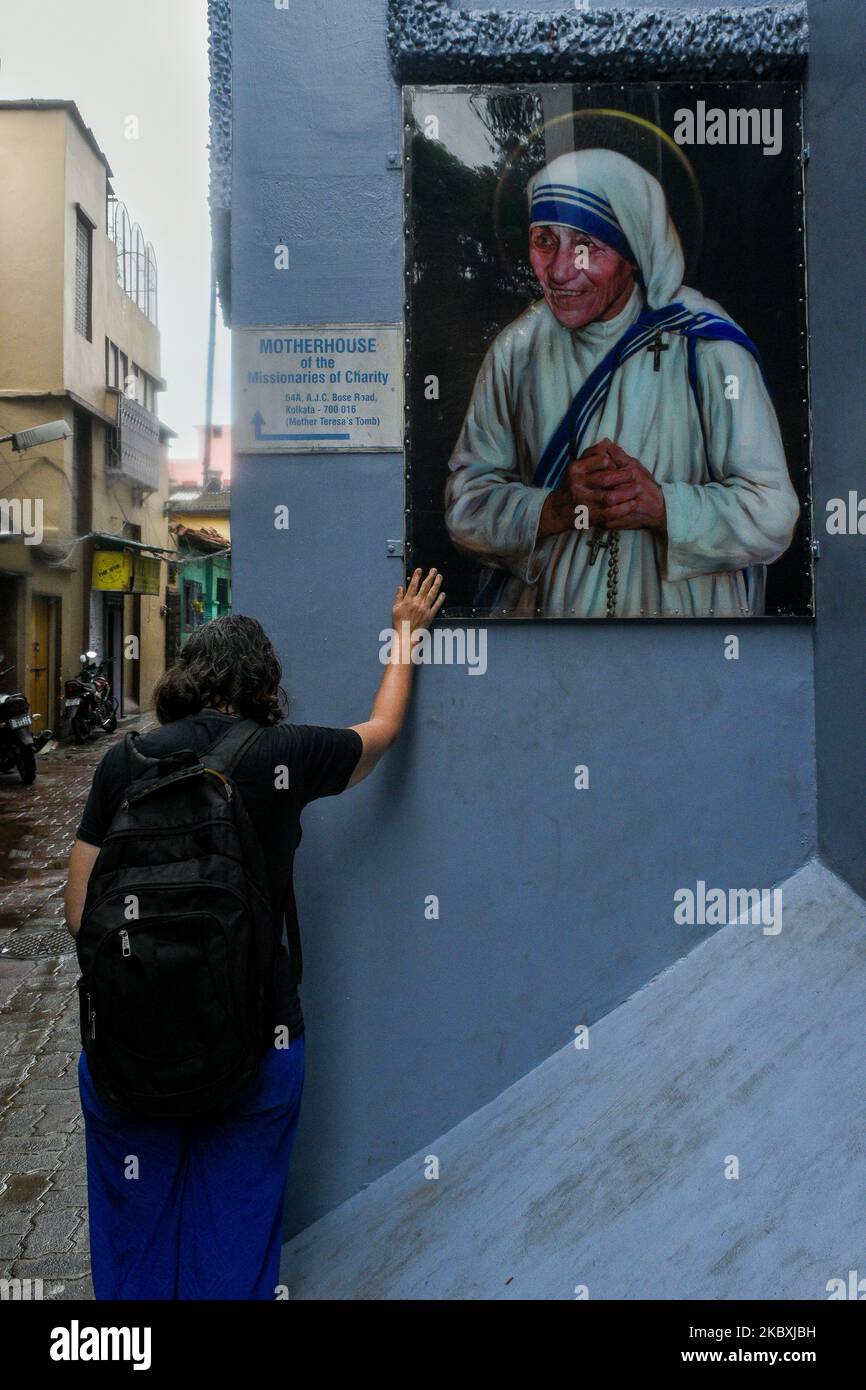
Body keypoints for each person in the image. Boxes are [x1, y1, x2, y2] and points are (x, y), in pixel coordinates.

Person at [64, 568, 444, 1299]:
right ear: (261, 682)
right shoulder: (282, 753)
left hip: (128, 1050)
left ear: (185, 678)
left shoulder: (122, 762)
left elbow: (81, 914)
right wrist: (405, 632)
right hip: (256, 1041)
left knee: (131, 1249)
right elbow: (383, 731)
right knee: (233, 1249)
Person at [444, 148, 800, 618]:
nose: (559, 271)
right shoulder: (518, 350)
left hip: (684, 640)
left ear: (634, 253)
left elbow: (773, 513)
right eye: (545, 240)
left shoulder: (706, 345)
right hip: (550, 637)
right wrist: (554, 507)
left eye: (588, 246)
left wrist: (664, 508)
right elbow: (466, 507)